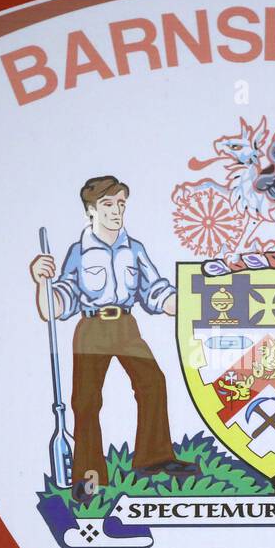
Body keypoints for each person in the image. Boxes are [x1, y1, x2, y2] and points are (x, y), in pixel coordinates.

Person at [30, 176, 196, 502]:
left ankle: (154, 460)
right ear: (91, 211)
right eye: (107, 205)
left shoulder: (134, 250)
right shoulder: (78, 252)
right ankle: (89, 477)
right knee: (86, 402)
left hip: (126, 326)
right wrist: (41, 281)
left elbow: (155, 291)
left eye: (121, 204)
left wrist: (189, 302)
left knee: (153, 383)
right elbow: (55, 307)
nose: (116, 211)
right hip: (92, 329)